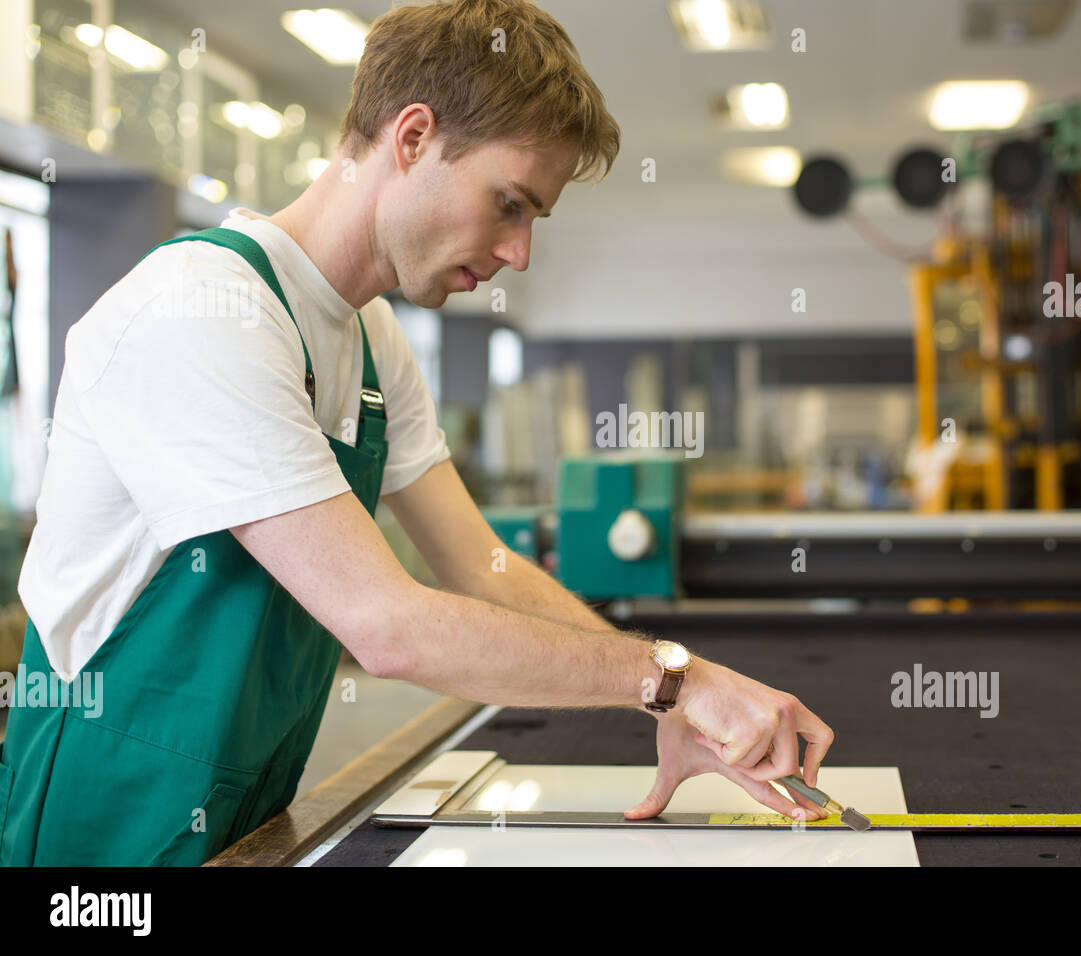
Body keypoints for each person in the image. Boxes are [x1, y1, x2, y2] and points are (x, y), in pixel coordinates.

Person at [0, 0, 833, 866]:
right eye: (508, 204)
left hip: (243, 816)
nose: (519, 253)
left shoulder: (369, 336)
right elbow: (385, 624)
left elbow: (483, 568)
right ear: (412, 138)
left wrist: (665, 695)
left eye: (534, 219)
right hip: (101, 833)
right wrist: (672, 680)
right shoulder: (201, 310)